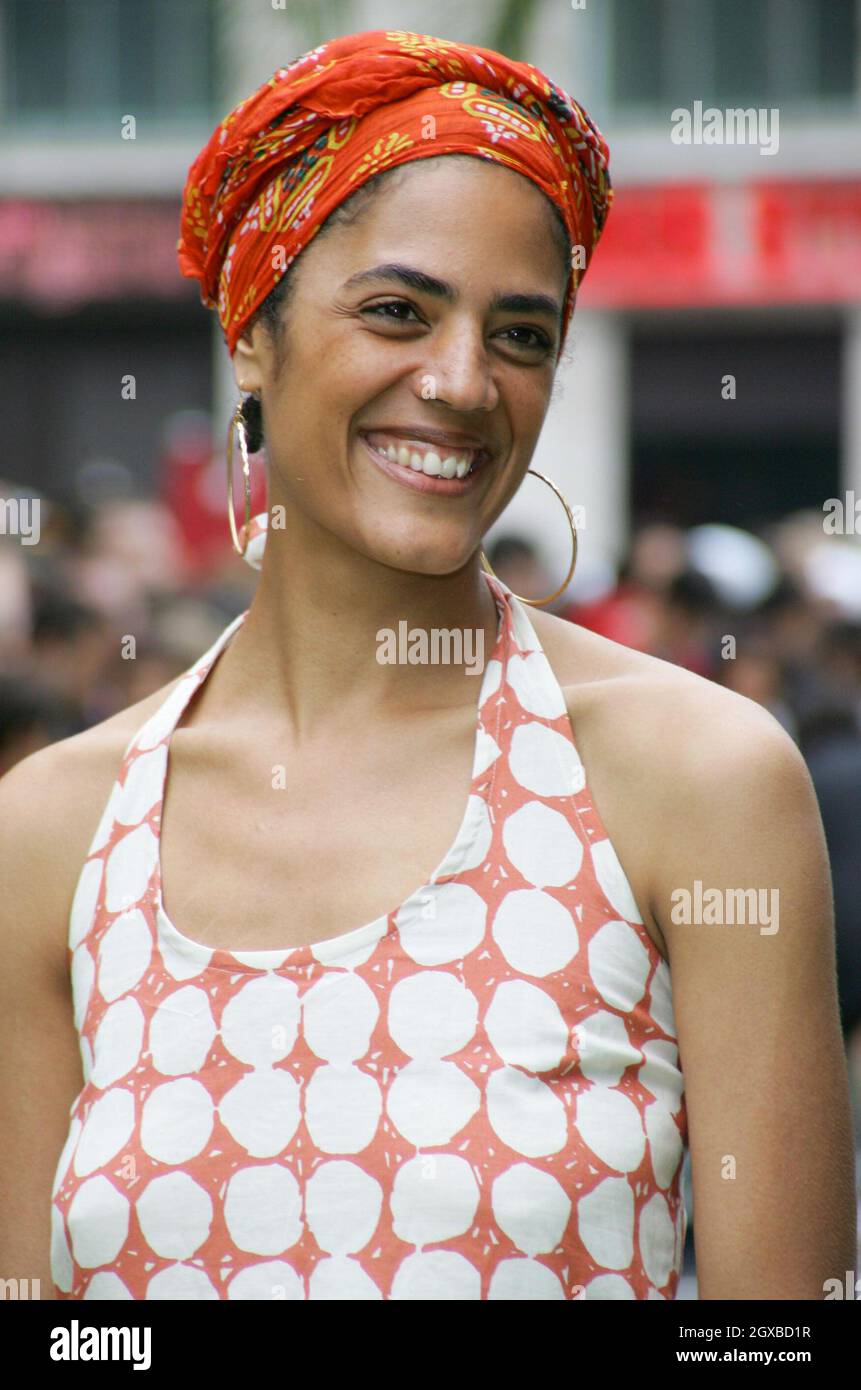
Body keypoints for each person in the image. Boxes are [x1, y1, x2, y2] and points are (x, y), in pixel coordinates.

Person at [0, 29, 854, 1302]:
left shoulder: (701, 781)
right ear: (252, 331)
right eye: (397, 310)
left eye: (522, 335)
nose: (461, 384)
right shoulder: (52, 833)